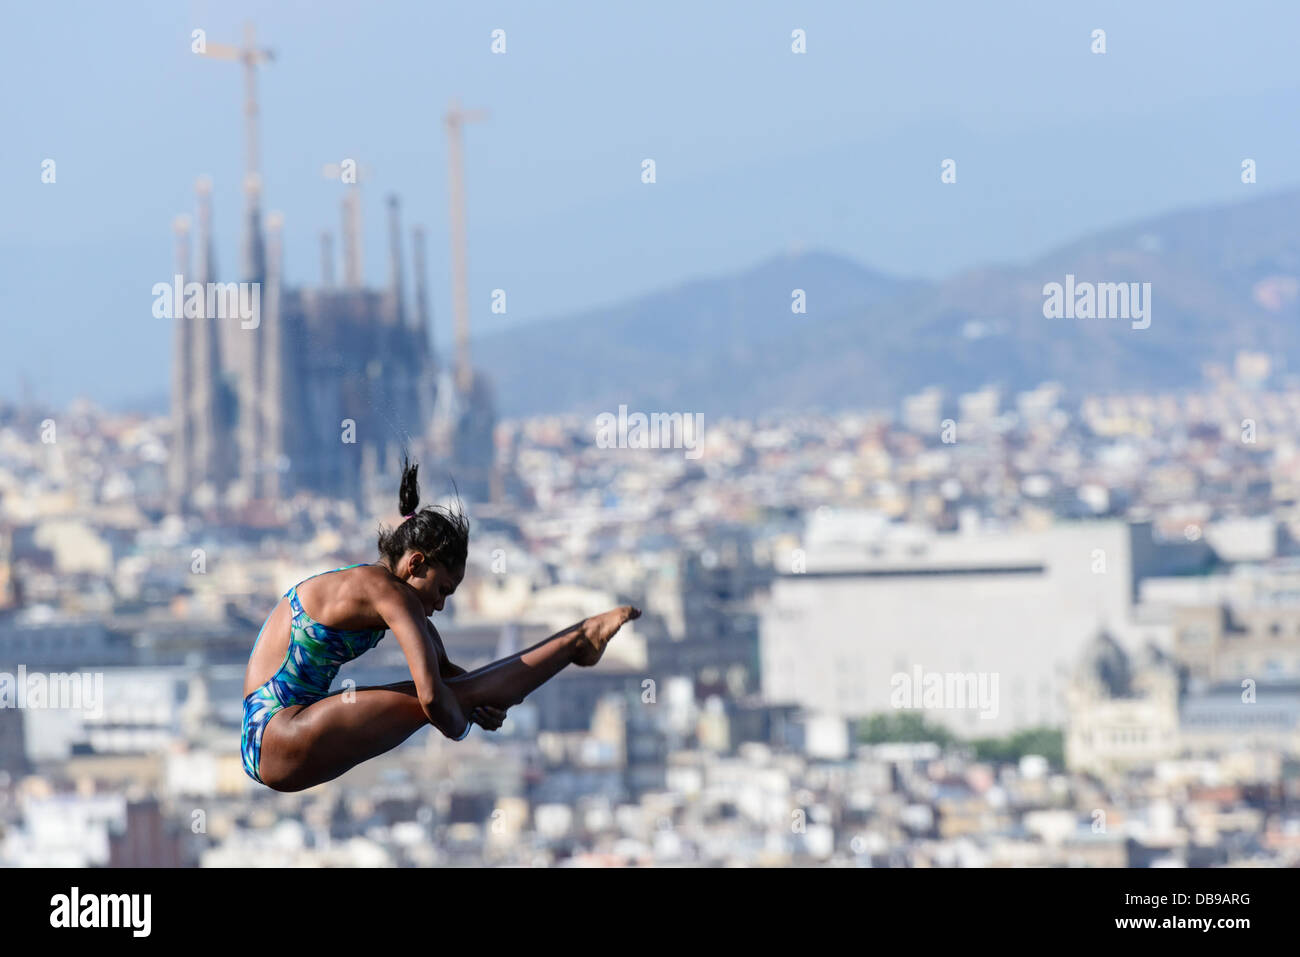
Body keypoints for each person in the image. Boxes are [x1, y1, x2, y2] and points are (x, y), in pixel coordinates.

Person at [240, 458, 640, 791]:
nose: (442, 605)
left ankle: (578, 640)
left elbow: (448, 674)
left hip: (275, 739)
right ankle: (579, 640)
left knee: (462, 691)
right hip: (278, 733)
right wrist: (461, 722)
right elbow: (433, 697)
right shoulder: (390, 593)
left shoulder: (382, 588)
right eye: (443, 589)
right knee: (447, 697)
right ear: (415, 564)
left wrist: (480, 703)